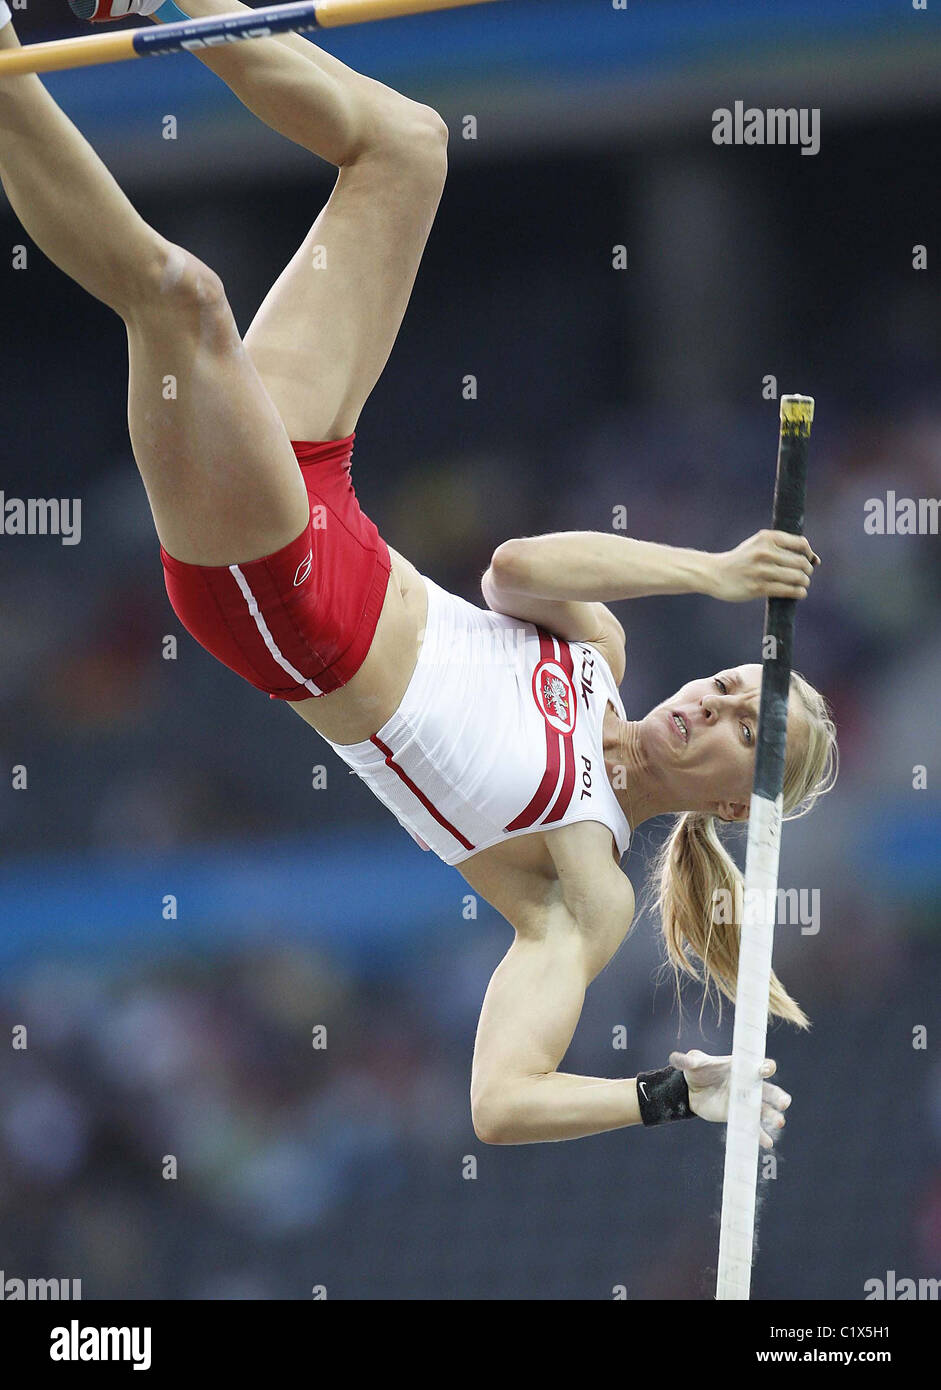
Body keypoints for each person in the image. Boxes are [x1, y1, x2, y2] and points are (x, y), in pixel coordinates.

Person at [0, 0, 836, 1146]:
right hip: (324, 495)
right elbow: (516, 563)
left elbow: (498, 1104)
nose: (716, 699)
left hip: (284, 601)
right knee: (405, 146)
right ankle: (148, 9)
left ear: (737, 801)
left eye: (742, 724)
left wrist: (669, 1090)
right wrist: (712, 569)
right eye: (737, 683)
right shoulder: (602, 656)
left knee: (180, 297)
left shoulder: (577, 886)